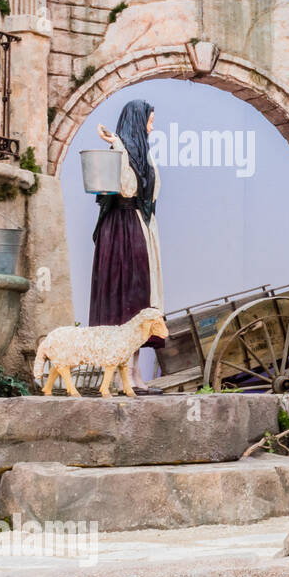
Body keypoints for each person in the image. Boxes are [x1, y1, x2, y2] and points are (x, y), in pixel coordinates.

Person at [90, 99, 164, 393]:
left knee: (139, 301)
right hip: (122, 230)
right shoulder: (119, 153)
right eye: (149, 120)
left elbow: (152, 192)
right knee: (124, 301)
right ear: (137, 121)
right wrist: (117, 144)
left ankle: (135, 373)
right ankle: (121, 375)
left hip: (140, 227)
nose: (152, 125)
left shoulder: (145, 155)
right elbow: (122, 188)